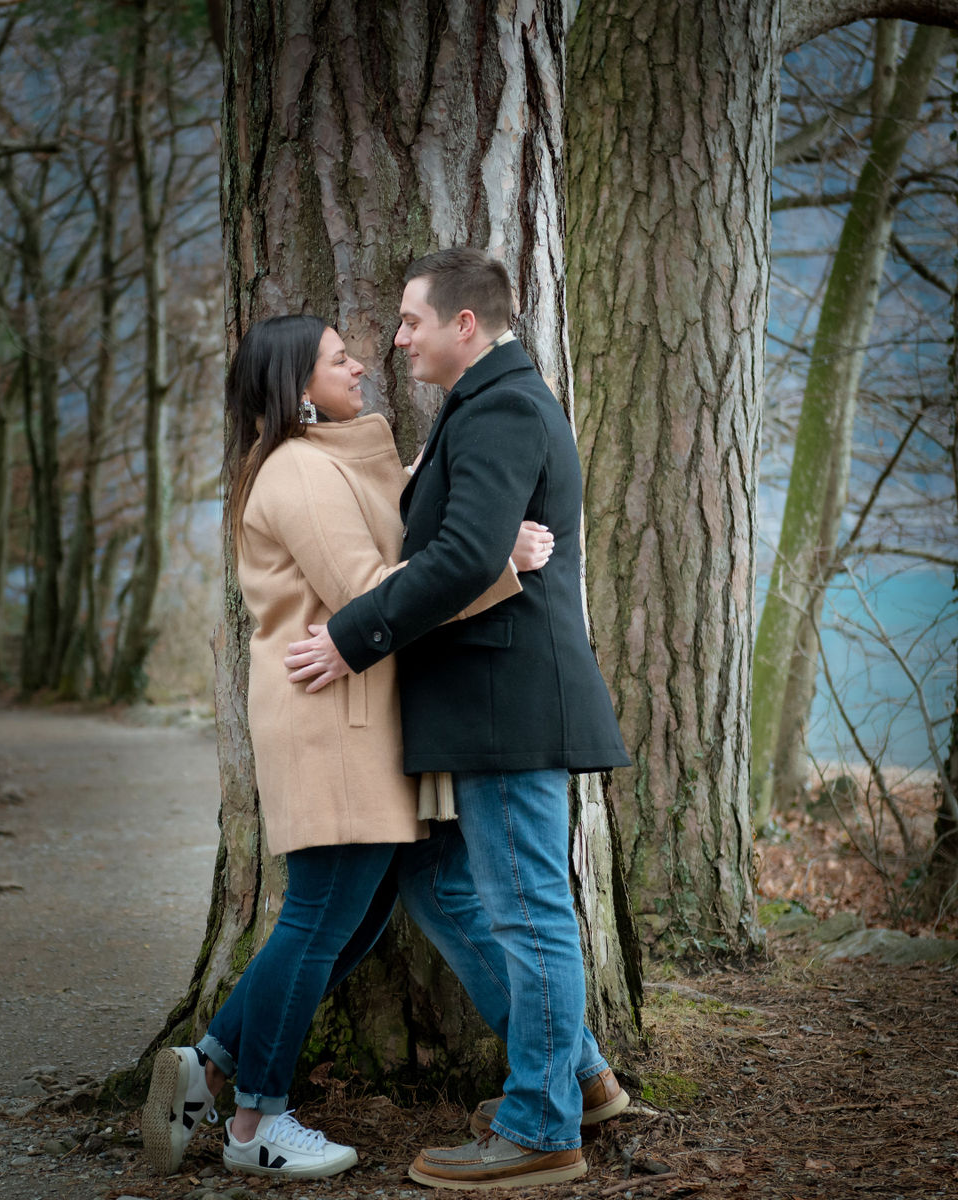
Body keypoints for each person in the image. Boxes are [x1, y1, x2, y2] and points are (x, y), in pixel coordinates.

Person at [140, 314, 554, 1181]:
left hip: (356, 719)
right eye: (339, 358)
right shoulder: (296, 472)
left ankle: (212, 1067)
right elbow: (370, 589)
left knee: (354, 920)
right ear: (298, 387)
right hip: (337, 723)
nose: (362, 363)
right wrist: (492, 555)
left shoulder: (327, 462)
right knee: (320, 922)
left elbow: (395, 522)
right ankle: (257, 1121)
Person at [284, 248, 633, 1189]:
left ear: (464, 324)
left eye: (409, 321)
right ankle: (582, 1075)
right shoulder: (479, 410)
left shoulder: (506, 408)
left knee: (528, 914)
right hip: (475, 705)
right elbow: (465, 542)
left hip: (507, 702)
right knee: (440, 884)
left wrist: (351, 637)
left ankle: (539, 1128)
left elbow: (467, 553)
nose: (397, 340)